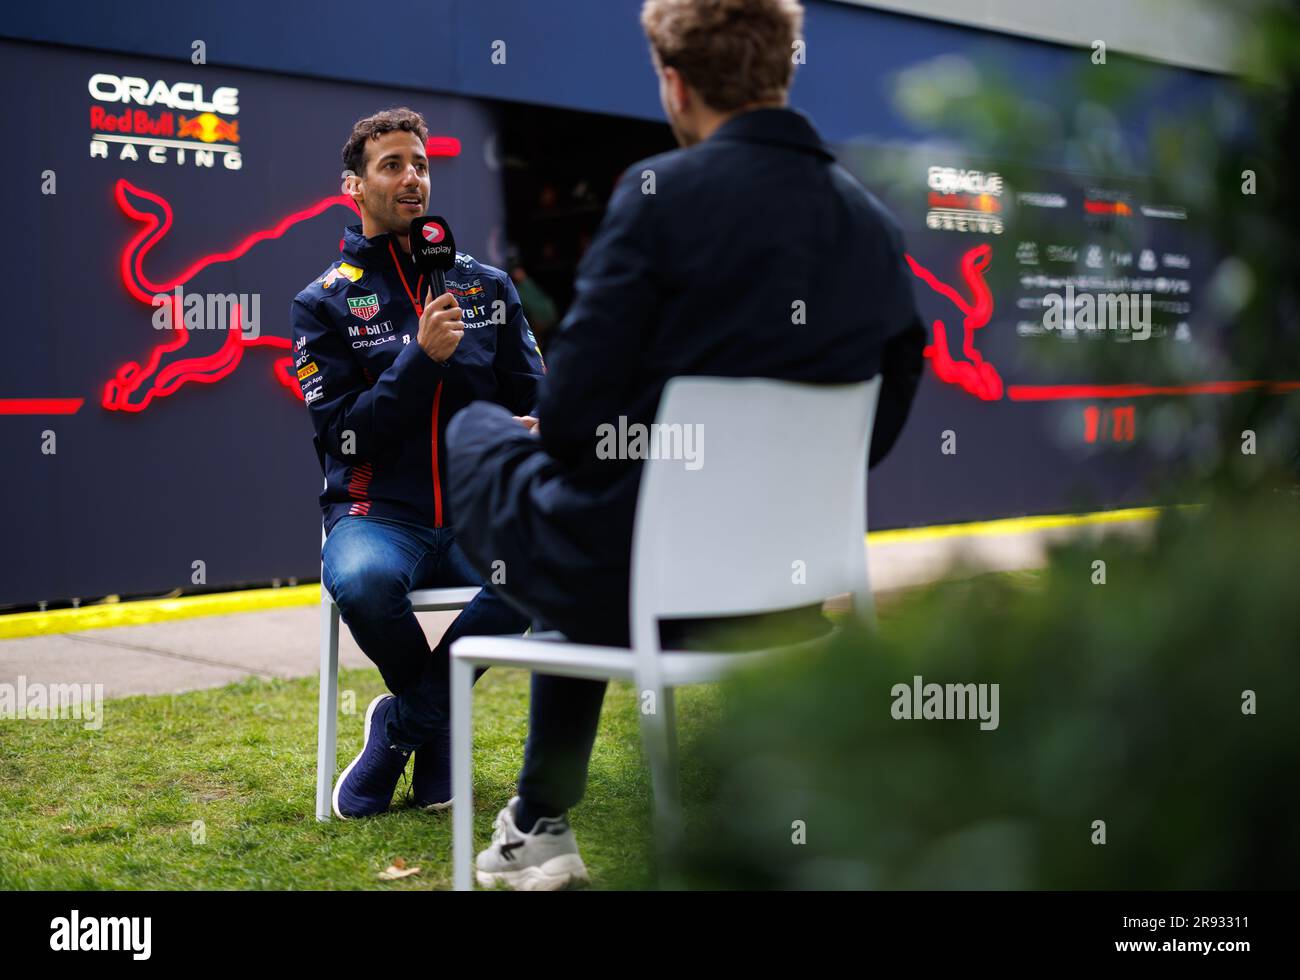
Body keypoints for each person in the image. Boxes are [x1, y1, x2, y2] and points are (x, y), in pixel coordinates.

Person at [445, 0, 926, 889]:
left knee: (478, 430)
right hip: (787, 593)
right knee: (587, 509)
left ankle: (534, 819)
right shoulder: (872, 224)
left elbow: (577, 419)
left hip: (638, 583)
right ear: (784, 67)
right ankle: (537, 819)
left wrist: (614, 446)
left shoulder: (658, 195)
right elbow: (889, 402)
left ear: (673, 82)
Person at [290, 107, 545, 819]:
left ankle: (402, 731)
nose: (412, 179)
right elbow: (343, 434)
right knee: (365, 585)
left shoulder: (485, 285)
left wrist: (537, 427)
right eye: (392, 165)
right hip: (378, 514)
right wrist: (418, 359)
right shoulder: (322, 303)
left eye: (421, 164)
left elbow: (541, 398)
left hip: (475, 512)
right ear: (355, 186)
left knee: (540, 569)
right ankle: (437, 733)